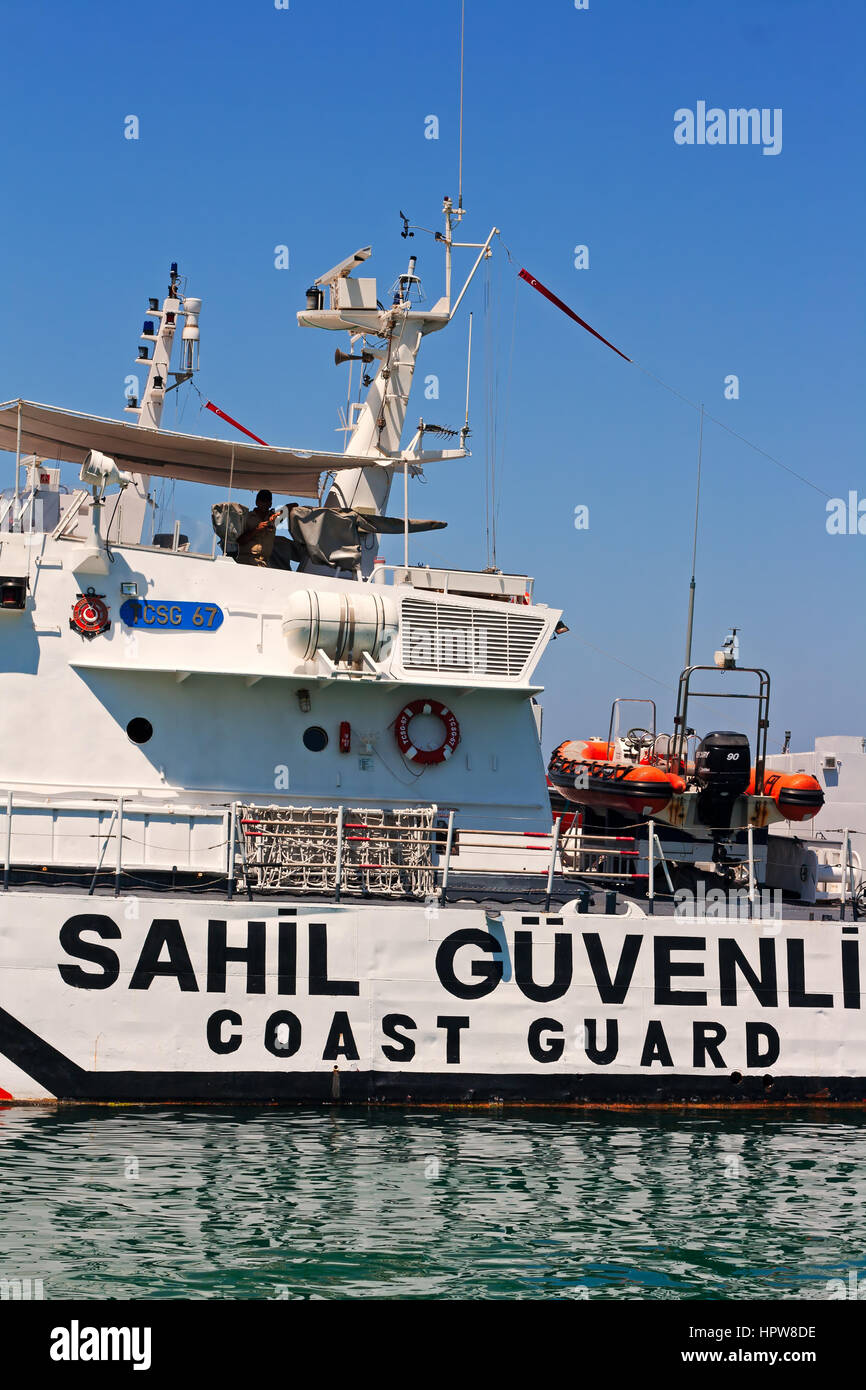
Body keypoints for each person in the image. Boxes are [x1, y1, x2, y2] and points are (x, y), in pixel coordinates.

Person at [236, 489, 278, 567]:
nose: (264, 504)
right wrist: (256, 529)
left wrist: (277, 514)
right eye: (262, 501)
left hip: (264, 563)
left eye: (267, 501)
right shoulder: (247, 517)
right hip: (246, 561)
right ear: (257, 502)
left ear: (270, 504)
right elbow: (239, 541)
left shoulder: (274, 518)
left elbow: (293, 505)